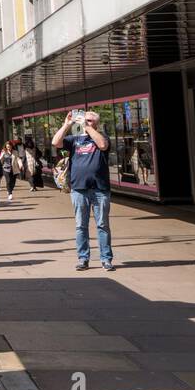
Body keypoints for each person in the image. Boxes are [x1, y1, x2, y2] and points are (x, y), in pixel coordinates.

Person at [52, 109, 114, 271]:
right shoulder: (75, 140)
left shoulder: (102, 137)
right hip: (79, 189)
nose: (86, 122)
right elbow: (56, 142)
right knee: (81, 226)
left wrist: (88, 128)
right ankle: (83, 258)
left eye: (90, 120)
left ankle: (106, 259)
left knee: (102, 225)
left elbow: (102, 145)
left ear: (96, 123)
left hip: (100, 189)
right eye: (84, 119)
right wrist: (67, 124)